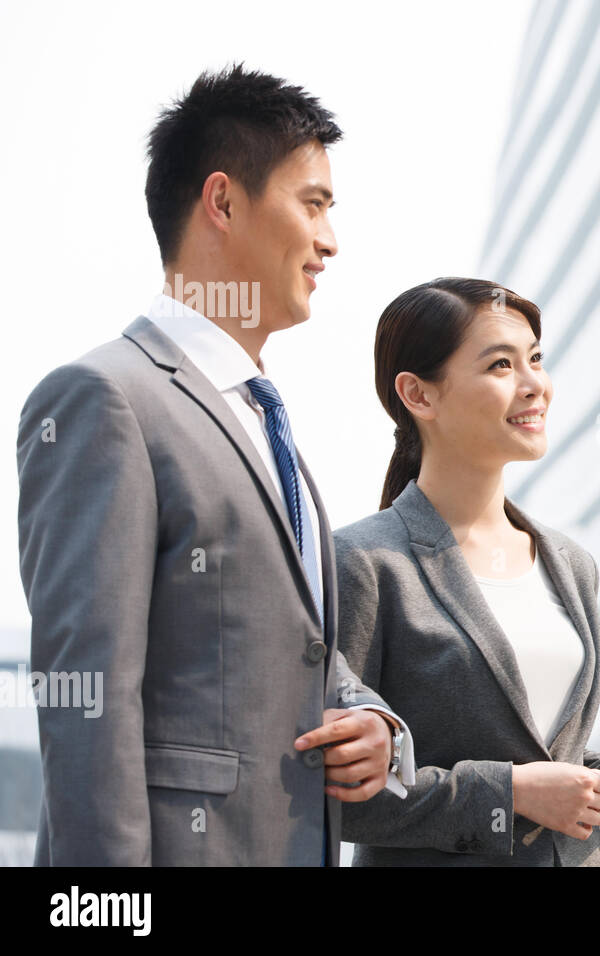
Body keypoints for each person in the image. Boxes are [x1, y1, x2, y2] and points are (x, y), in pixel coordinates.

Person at [16, 63, 414, 866]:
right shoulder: (105, 398)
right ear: (224, 202)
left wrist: (374, 721)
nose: (331, 241)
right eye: (314, 204)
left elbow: (289, 645)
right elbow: (84, 700)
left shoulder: (265, 418)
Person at [333, 277, 600, 865]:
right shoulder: (364, 563)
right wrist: (508, 793)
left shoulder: (571, 566)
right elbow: (339, 795)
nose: (535, 385)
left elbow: (553, 779)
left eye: (536, 359)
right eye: (502, 365)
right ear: (419, 396)